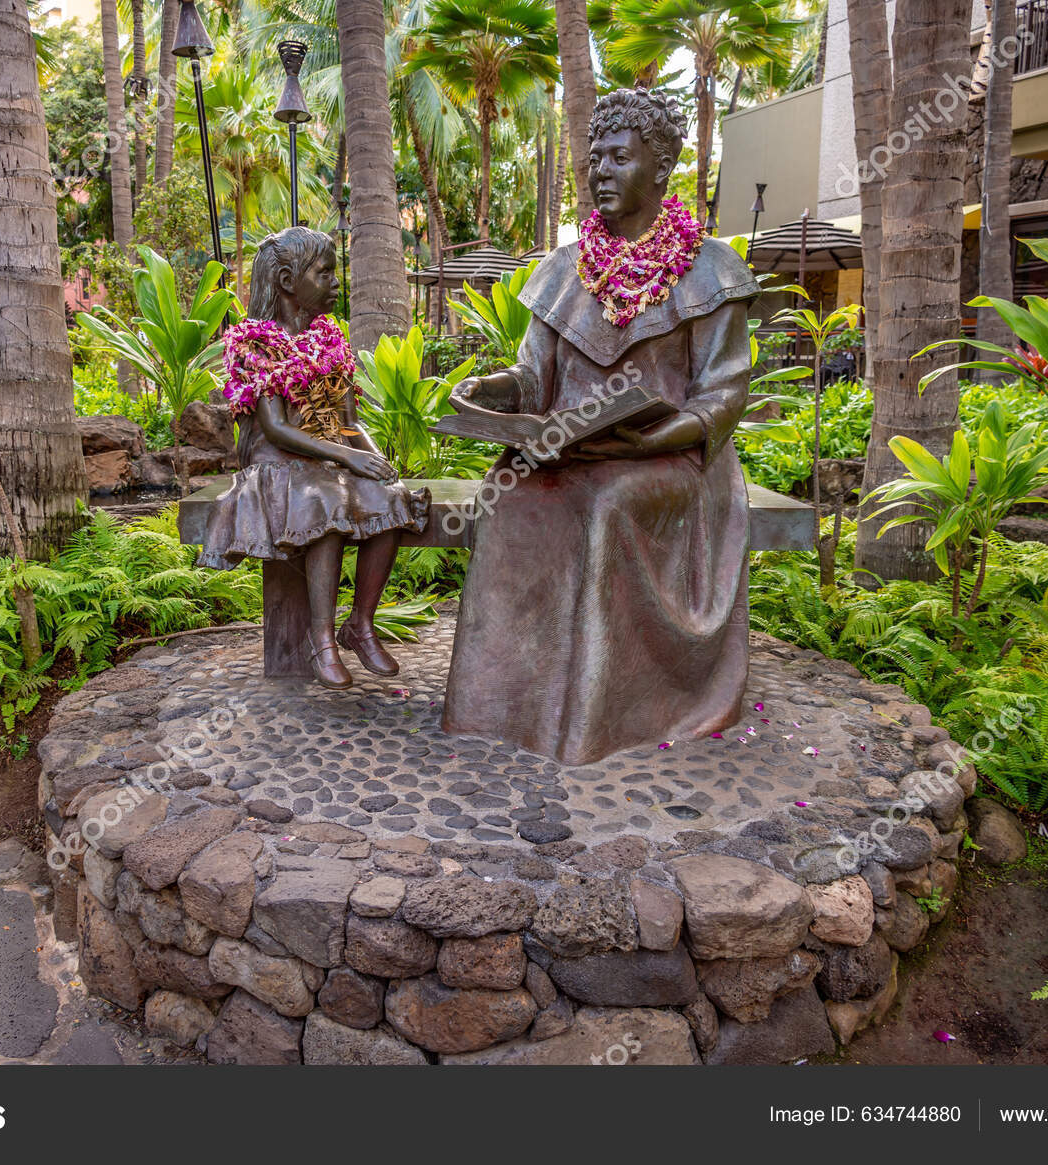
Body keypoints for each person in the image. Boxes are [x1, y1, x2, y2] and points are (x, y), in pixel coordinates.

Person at [442, 88, 759, 765]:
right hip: (570, 451)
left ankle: (594, 722)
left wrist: (655, 437)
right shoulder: (563, 269)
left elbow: (722, 394)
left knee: (608, 505)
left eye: (620, 157)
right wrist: (490, 390)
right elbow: (534, 377)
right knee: (510, 497)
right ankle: (503, 711)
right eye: (595, 159)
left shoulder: (710, 268)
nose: (602, 172)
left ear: (662, 166)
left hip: (673, 463)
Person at [198, 227, 428, 689]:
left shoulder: (329, 338)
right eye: (324, 274)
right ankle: (320, 638)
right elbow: (277, 428)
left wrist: (374, 460)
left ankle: (359, 624)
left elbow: (348, 420)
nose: (335, 284)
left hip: (325, 459)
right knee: (325, 499)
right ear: (287, 280)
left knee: (392, 498)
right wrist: (346, 458)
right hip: (276, 464)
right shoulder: (254, 341)